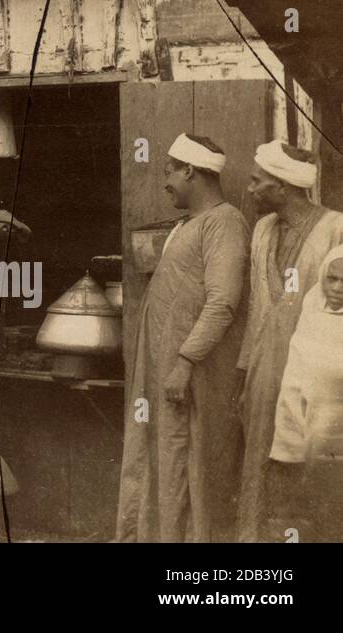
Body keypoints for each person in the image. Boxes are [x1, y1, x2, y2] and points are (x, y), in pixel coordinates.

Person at [115, 134, 249, 541]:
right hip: (167, 372)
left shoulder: (224, 222)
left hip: (189, 374)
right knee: (164, 455)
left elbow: (223, 301)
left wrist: (186, 361)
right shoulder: (189, 223)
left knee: (184, 458)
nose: (165, 181)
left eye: (170, 171)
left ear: (191, 170)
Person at [238, 140, 343, 540]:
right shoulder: (262, 230)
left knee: (314, 469)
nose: (249, 189)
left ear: (282, 186)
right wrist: (243, 372)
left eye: (256, 182)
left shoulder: (336, 228)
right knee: (263, 460)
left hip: (320, 376)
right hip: (266, 372)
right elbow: (256, 308)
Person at [267, 247, 343, 540]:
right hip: (315, 450)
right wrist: (290, 445)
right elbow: (294, 384)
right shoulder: (312, 315)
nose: (336, 289)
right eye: (331, 279)